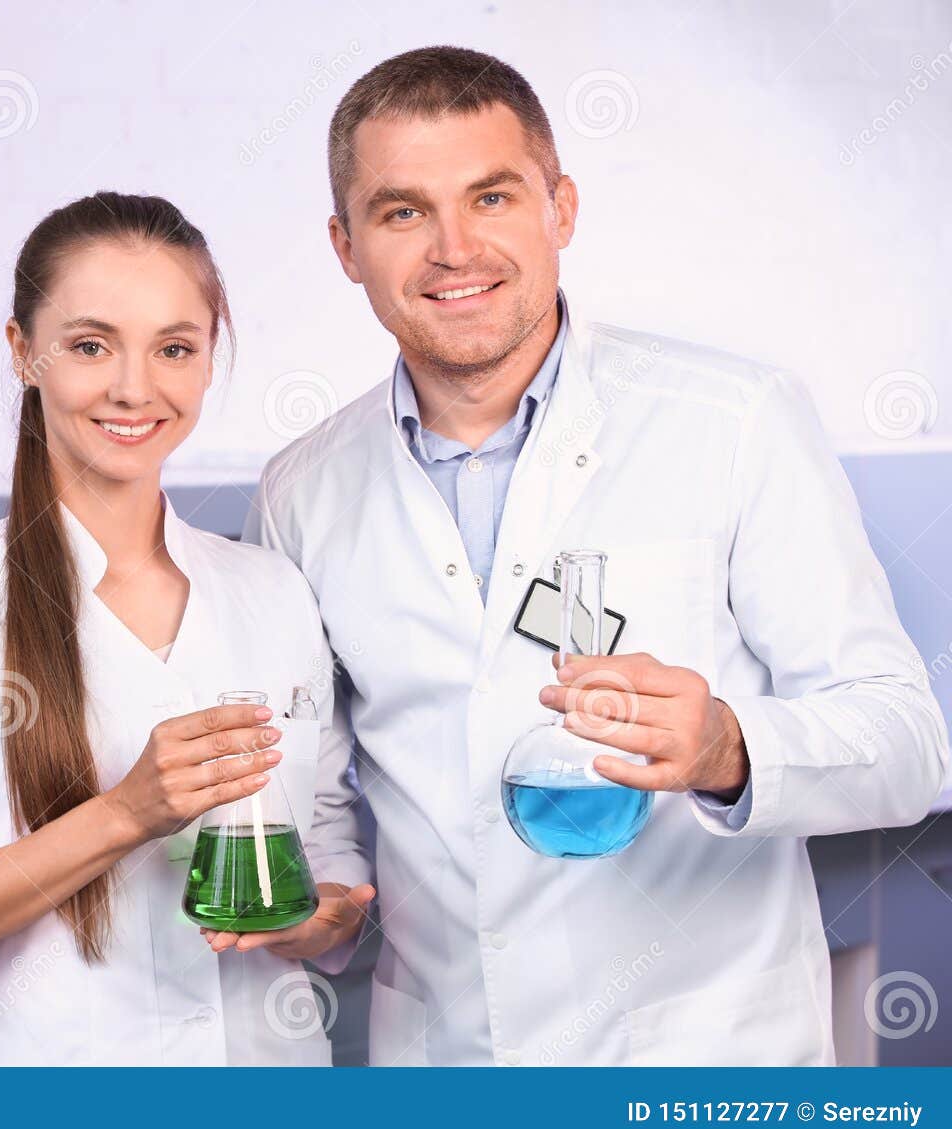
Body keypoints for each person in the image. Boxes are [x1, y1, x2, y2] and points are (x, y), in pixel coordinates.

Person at [241, 46, 950, 1065]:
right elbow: (316, 792)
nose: (453, 248)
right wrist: (322, 904)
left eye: (491, 196)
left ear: (560, 210)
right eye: (401, 211)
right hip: (448, 1057)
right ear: (344, 245)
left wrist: (724, 745)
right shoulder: (301, 490)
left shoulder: (736, 420)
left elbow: (903, 738)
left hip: (700, 1062)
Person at [0, 192, 374, 1065]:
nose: (134, 387)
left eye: (174, 349)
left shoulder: (271, 591)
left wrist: (326, 916)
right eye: (90, 345)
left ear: (207, 363)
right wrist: (125, 812)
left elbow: (325, 834)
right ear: (23, 352)